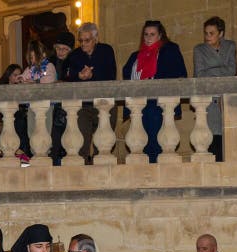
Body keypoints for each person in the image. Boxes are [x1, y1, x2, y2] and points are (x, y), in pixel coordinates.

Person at [123, 20, 187, 162]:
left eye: (152, 34)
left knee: (158, 144)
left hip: (159, 106)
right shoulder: (135, 56)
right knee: (140, 144)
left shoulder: (169, 50)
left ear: (160, 35)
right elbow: (126, 75)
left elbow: (178, 74)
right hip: (139, 106)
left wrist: (151, 83)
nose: (148, 37)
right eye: (146, 34)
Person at [66, 22, 117, 162]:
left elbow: (111, 75)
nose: (83, 44)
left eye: (87, 40)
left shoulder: (106, 50)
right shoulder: (75, 55)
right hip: (84, 105)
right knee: (81, 142)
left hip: (105, 103)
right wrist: (79, 76)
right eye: (80, 40)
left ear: (95, 39)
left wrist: (92, 75)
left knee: (103, 145)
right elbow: (69, 79)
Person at [193, 16, 236, 162]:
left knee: (229, 139)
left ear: (221, 34)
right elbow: (199, 74)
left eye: (211, 33)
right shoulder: (199, 49)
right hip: (209, 100)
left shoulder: (230, 46)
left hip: (226, 98)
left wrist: (211, 71)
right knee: (212, 139)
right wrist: (220, 70)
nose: (207, 37)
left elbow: (232, 71)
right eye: (206, 33)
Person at [48, 31, 75, 164]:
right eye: (58, 48)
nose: (60, 52)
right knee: (53, 140)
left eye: (64, 49)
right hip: (53, 107)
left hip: (69, 106)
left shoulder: (74, 61)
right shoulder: (50, 62)